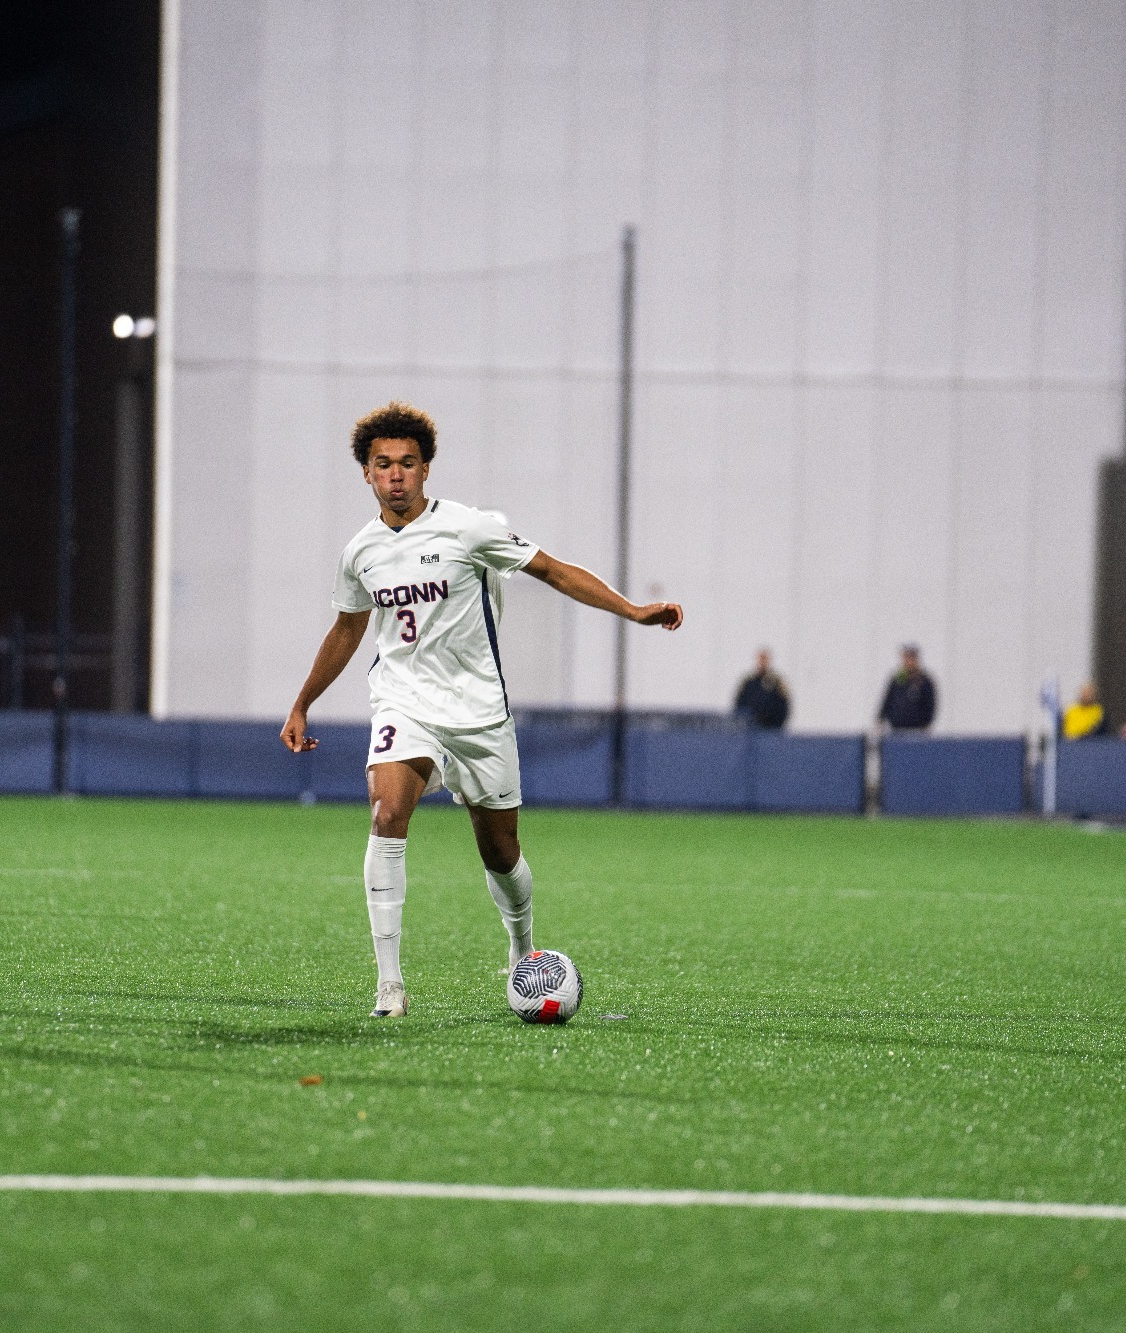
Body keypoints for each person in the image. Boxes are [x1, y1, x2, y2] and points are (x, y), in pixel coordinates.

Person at [281, 402, 683, 1018]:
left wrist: (632, 611)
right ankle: (389, 986)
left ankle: (524, 952)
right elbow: (347, 628)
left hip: (479, 713)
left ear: (426, 469)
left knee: (500, 850)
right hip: (403, 702)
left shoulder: (468, 529)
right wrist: (302, 703)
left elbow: (553, 570)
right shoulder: (360, 552)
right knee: (387, 813)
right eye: (383, 464)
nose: (395, 475)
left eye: (407, 463)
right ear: (366, 472)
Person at [877, 644, 936, 732]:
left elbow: (930, 704)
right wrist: (880, 719)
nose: (909, 662)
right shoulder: (896, 679)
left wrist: (927, 724)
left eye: (911, 658)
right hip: (896, 729)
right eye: (906, 658)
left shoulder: (924, 681)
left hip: (917, 730)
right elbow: (887, 700)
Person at [732, 649, 790, 730]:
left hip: (771, 730)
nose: (762, 663)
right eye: (760, 659)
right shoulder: (749, 683)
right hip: (750, 730)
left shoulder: (776, 683)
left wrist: (776, 726)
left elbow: (783, 706)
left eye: (764, 660)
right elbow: (739, 705)